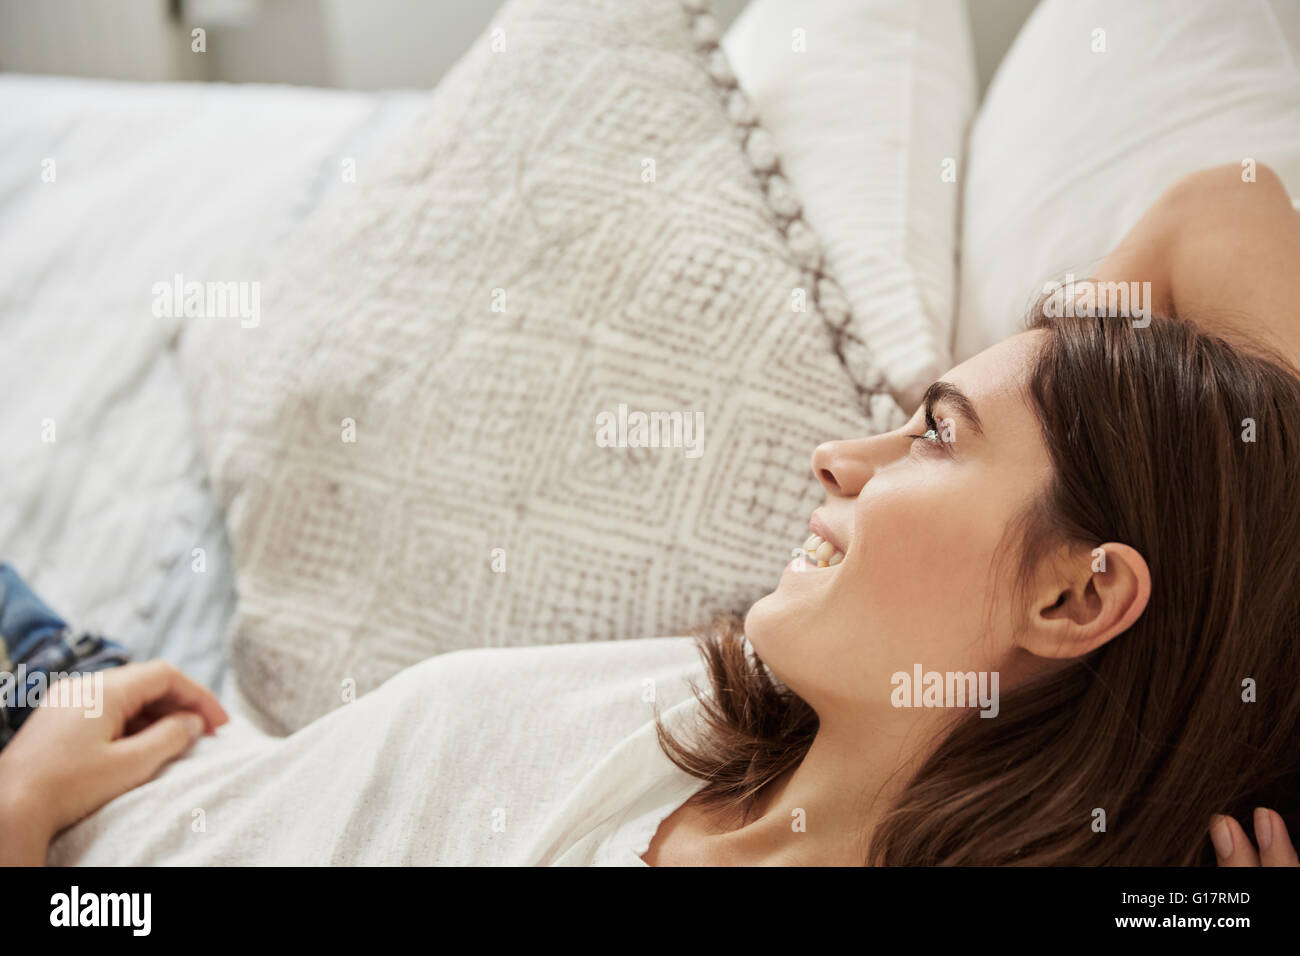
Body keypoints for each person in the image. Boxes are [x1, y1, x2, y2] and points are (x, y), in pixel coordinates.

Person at [2, 164, 1298, 866]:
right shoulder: (739, 740)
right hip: (112, 730)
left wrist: (18, 812)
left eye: (934, 434)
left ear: (1076, 598)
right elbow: (1217, 210)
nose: (840, 456)